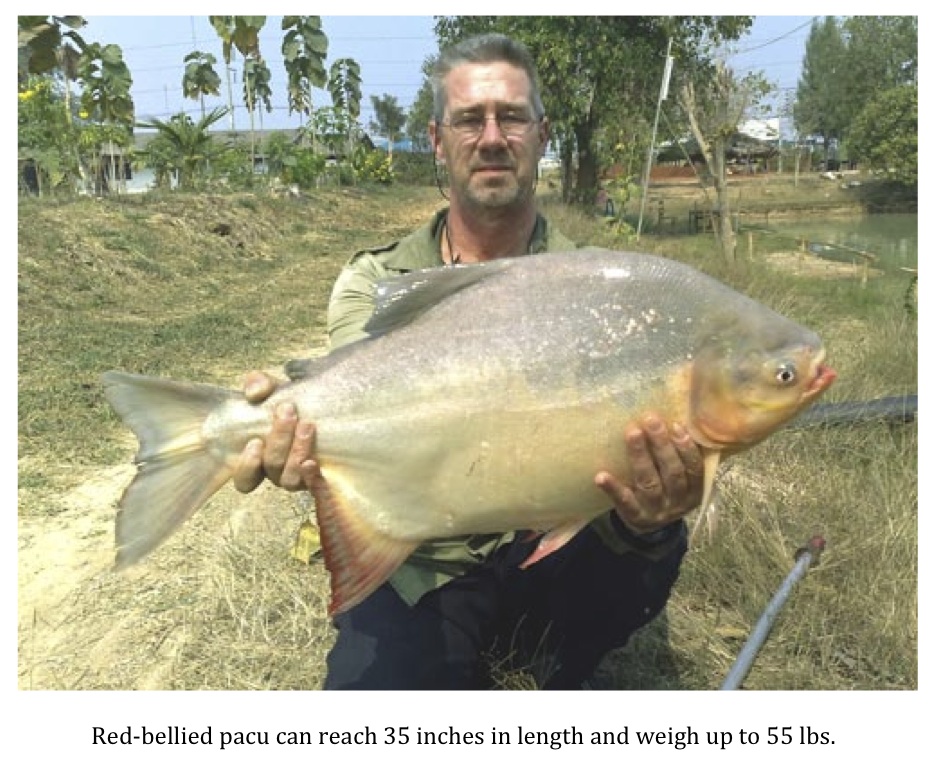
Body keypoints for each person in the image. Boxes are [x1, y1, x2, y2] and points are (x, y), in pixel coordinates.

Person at [232, 33, 704, 689]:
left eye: (510, 116)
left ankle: (562, 651)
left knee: (659, 533)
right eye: (467, 119)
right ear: (436, 138)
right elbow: (355, 392)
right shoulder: (375, 278)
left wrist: (649, 518)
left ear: (541, 134)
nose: (490, 136)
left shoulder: (593, 287)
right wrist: (292, 422)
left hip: (554, 550)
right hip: (425, 555)